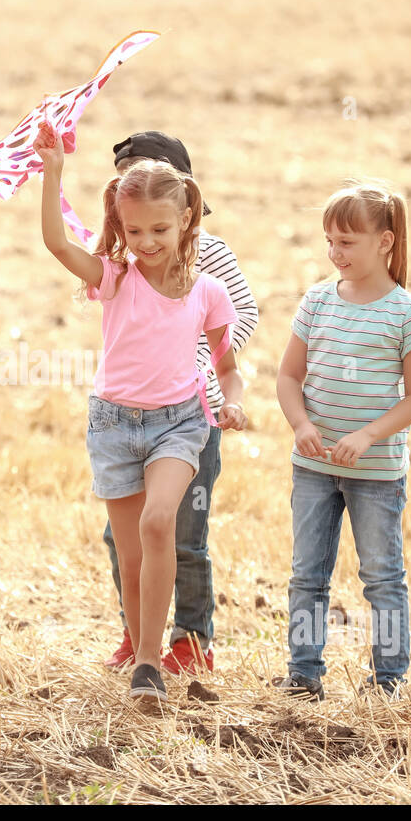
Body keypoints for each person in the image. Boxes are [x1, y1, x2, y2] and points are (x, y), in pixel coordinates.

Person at [32, 121, 246, 705]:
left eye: (159, 228)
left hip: (180, 421)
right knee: (128, 553)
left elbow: (225, 364)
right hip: (113, 425)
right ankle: (143, 650)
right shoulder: (116, 276)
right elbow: (57, 244)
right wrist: (54, 175)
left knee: (160, 526)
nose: (146, 241)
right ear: (119, 228)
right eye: (133, 230)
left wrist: (233, 399)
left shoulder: (208, 291)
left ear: (185, 222)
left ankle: (152, 662)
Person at [100, 131, 258, 675]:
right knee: (122, 536)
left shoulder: (209, 253)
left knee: (182, 533)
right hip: (130, 409)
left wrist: (192, 350)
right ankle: (137, 631)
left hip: (193, 412)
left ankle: (192, 640)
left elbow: (243, 316)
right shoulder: (128, 254)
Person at [274, 179, 411, 701]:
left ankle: (388, 680)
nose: (334, 252)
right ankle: (303, 673)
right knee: (307, 575)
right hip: (315, 468)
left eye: (347, 242)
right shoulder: (317, 300)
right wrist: (301, 425)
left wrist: (367, 435)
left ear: (385, 242)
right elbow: (288, 377)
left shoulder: (408, 313)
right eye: (330, 241)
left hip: (377, 474)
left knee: (383, 578)